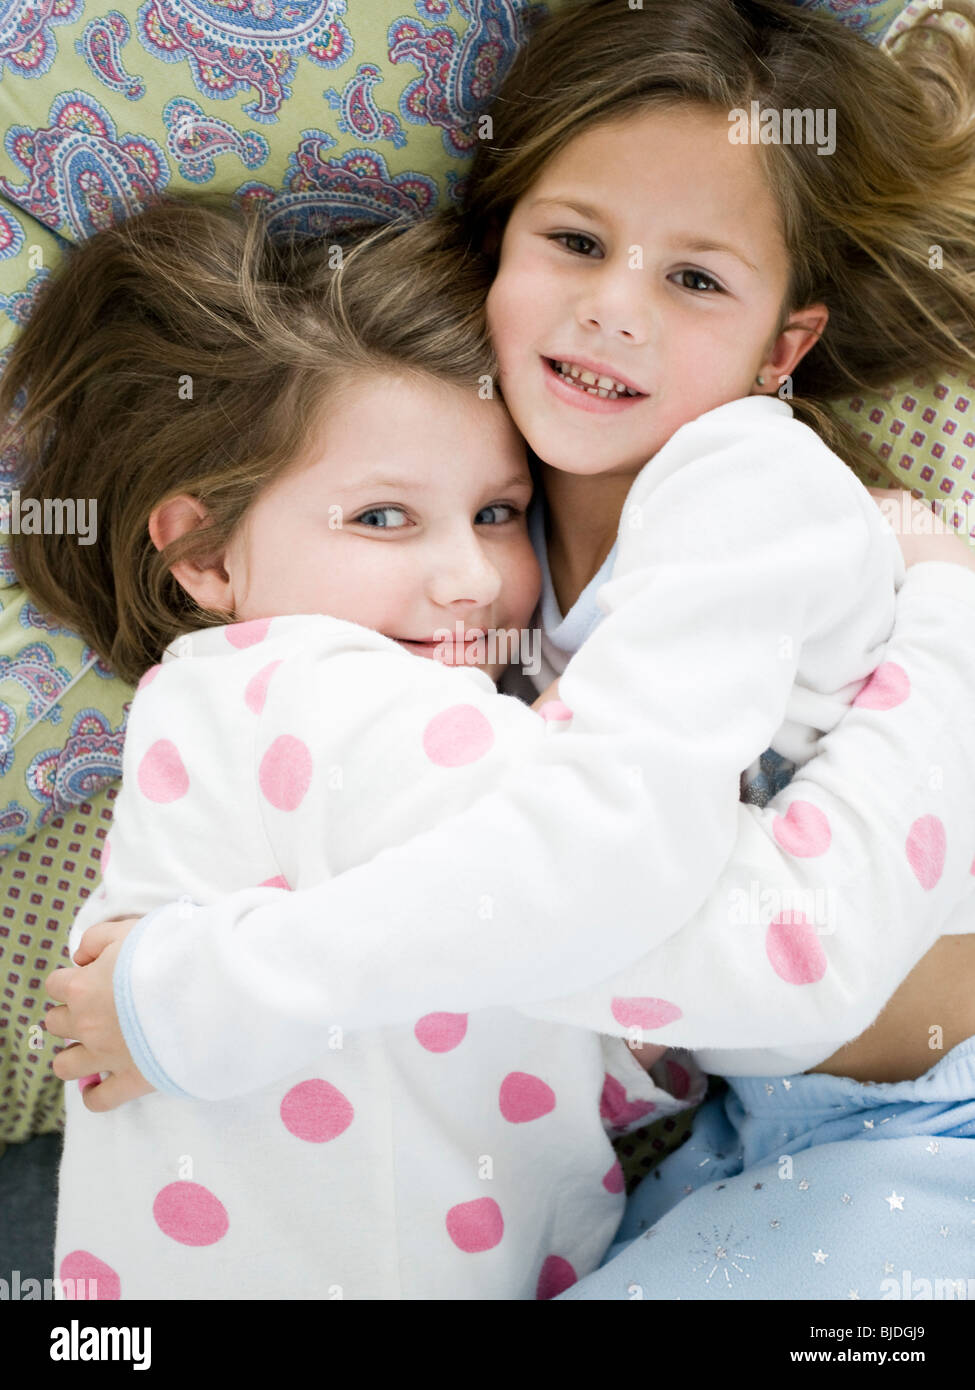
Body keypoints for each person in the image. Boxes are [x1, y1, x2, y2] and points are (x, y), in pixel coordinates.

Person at [38, 0, 975, 1299]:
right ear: (498, 254)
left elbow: (678, 912)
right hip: (745, 1137)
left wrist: (200, 994)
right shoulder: (490, 549)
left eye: (694, 278)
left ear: (784, 349)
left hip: (924, 1115)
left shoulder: (742, 483)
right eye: (577, 241)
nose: (616, 310)